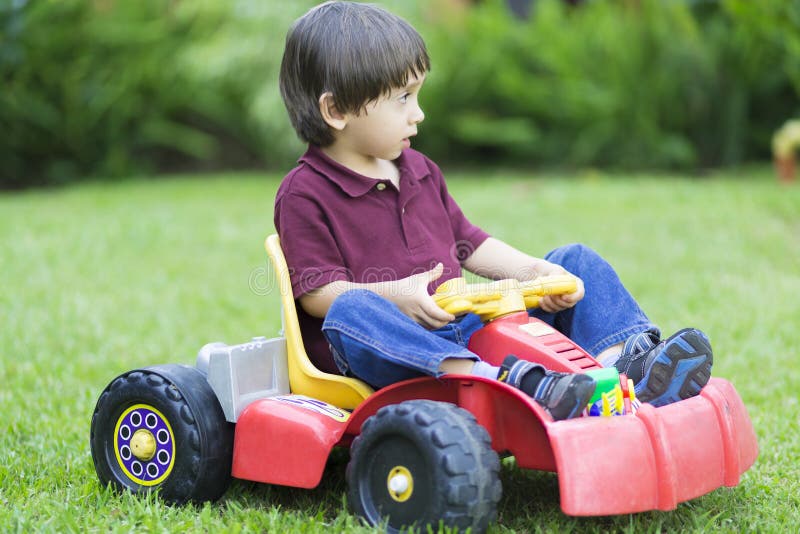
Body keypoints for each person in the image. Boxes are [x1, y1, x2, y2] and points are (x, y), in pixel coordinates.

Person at [274, 1, 712, 421]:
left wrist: (532, 273)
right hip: (390, 353)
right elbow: (317, 295)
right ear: (336, 111)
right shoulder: (304, 194)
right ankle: (504, 382)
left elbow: (469, 244)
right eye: (402, 98)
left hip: (466, 325)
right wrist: (396, 297)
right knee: (352, 309)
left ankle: (630, 364)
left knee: (574, 259)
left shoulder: (419, 170)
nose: (418, 113)